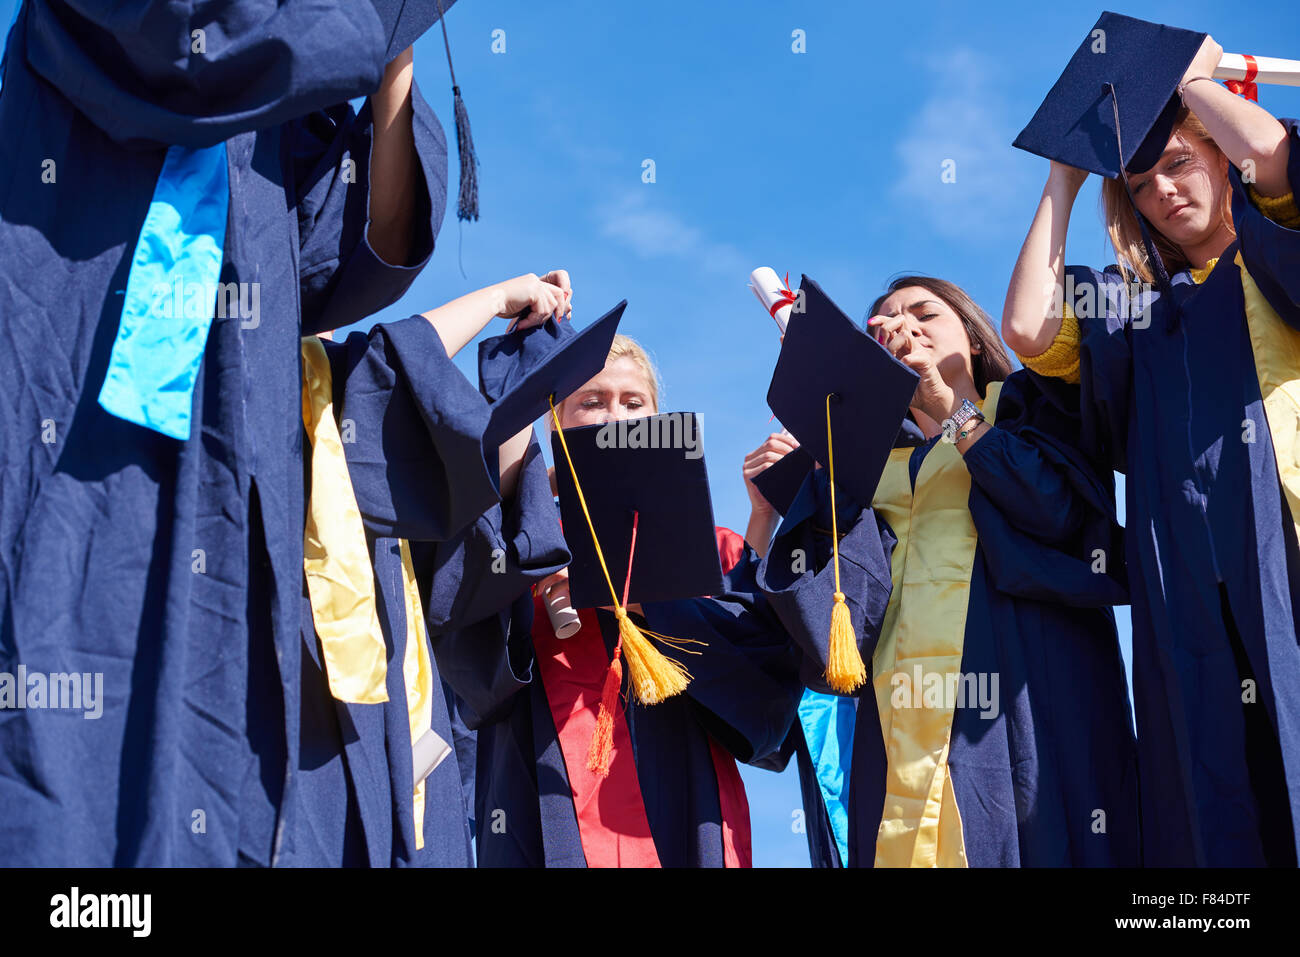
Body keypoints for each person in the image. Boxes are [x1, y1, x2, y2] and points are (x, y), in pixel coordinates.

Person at [0, 2, 457, 865]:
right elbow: (191, 49)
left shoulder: (273, 110)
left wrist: (392, 61)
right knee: (68, 743)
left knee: (220, 765)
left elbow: (351, 259)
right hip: (83, 413)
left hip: (236, 467)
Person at [1002, 27, 1300, 866]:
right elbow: (1027, 329)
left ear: (1216, 153)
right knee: (1213, 799)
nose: (1163, 192)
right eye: (1140, 184)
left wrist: (1196, 86)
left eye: (1180, 163)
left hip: (1286, 547)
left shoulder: (1276, 253)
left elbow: (1276, 163)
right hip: (1187, 592)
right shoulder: (1134, 312)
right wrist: (1064, 177)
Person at [725, 275, 1139, 867]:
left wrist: (950, 409)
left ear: (971, 338)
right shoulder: (865, 471)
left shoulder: (1032, 404)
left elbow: (1062, 517)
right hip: (896, 730)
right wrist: (804, 494)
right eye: (887, 324)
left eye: (924, 313)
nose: (905, 328)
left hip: (1026, 700)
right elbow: (830, 636)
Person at [440, 334, 803, 867]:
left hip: (685, 806)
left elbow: (770, 714)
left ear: (659, 421)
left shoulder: (715, 549)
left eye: (633, 403)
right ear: (555, 426)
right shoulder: (518, 544)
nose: (614, 418)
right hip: (544, 800)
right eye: (591, 402)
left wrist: (641, 600)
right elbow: (464, 674)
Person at [292, 272, 577, 867]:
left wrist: (521, 377)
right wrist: (498, 300)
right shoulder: (286, 392)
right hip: (310, 711)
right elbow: (383, 373)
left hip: (409, 734)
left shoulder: (354, 435)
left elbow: (473, 541)